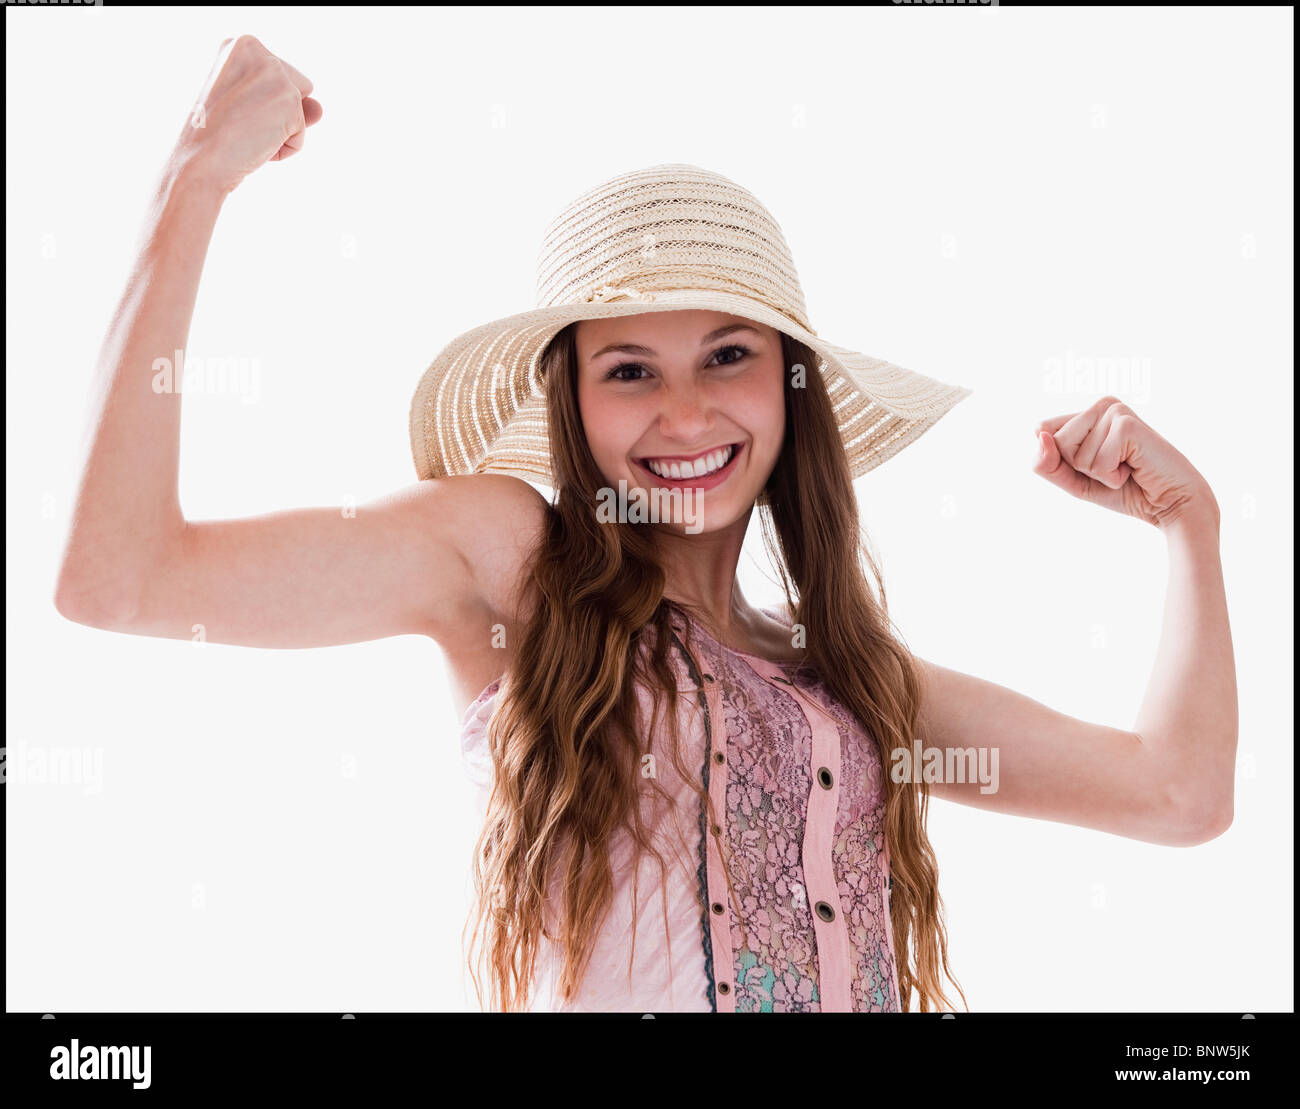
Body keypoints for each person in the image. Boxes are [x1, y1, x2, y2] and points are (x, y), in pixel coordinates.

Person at [54, 35, 1238, 1014]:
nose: (683, 412)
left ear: (788, 383)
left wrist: (1191, 524)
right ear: (570, 399)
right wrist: (193, 179)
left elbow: (1176, 795)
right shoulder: (510, 561)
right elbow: (119, 578)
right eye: (629, 368)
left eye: (726, 355)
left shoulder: (850, 680)